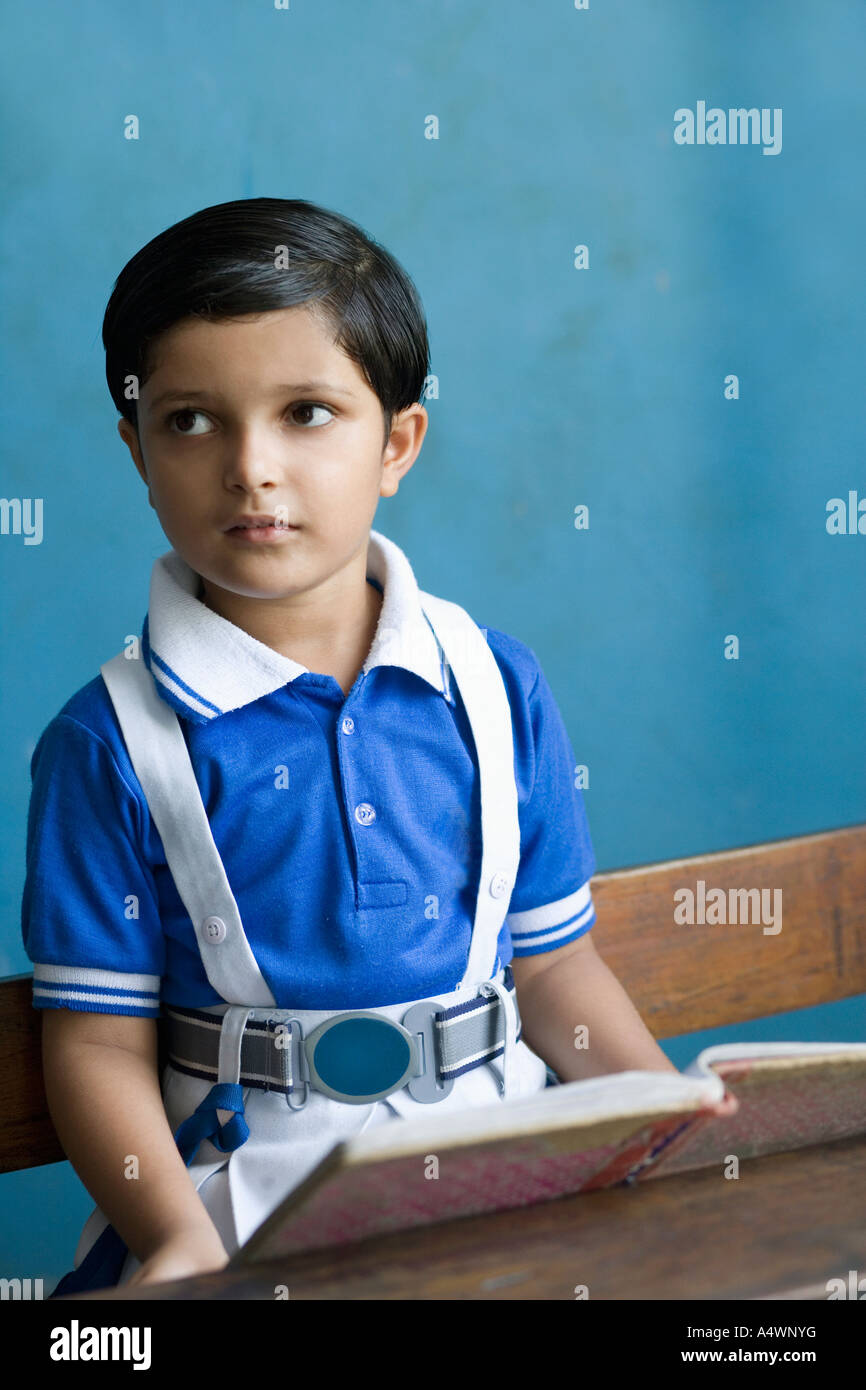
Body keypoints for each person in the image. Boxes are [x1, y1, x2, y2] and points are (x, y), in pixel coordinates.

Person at [21, 197, 736, 1295]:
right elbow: (97, 1043)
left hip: (506, 1193)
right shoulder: (109, 742)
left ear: (396, 441)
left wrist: (659, 1129)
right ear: (136, 448)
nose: (250, 467)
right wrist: (174, 1240)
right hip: (250, 1217)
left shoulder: (493, 686)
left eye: (306, 412)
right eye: (190, 421)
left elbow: (549, 965)